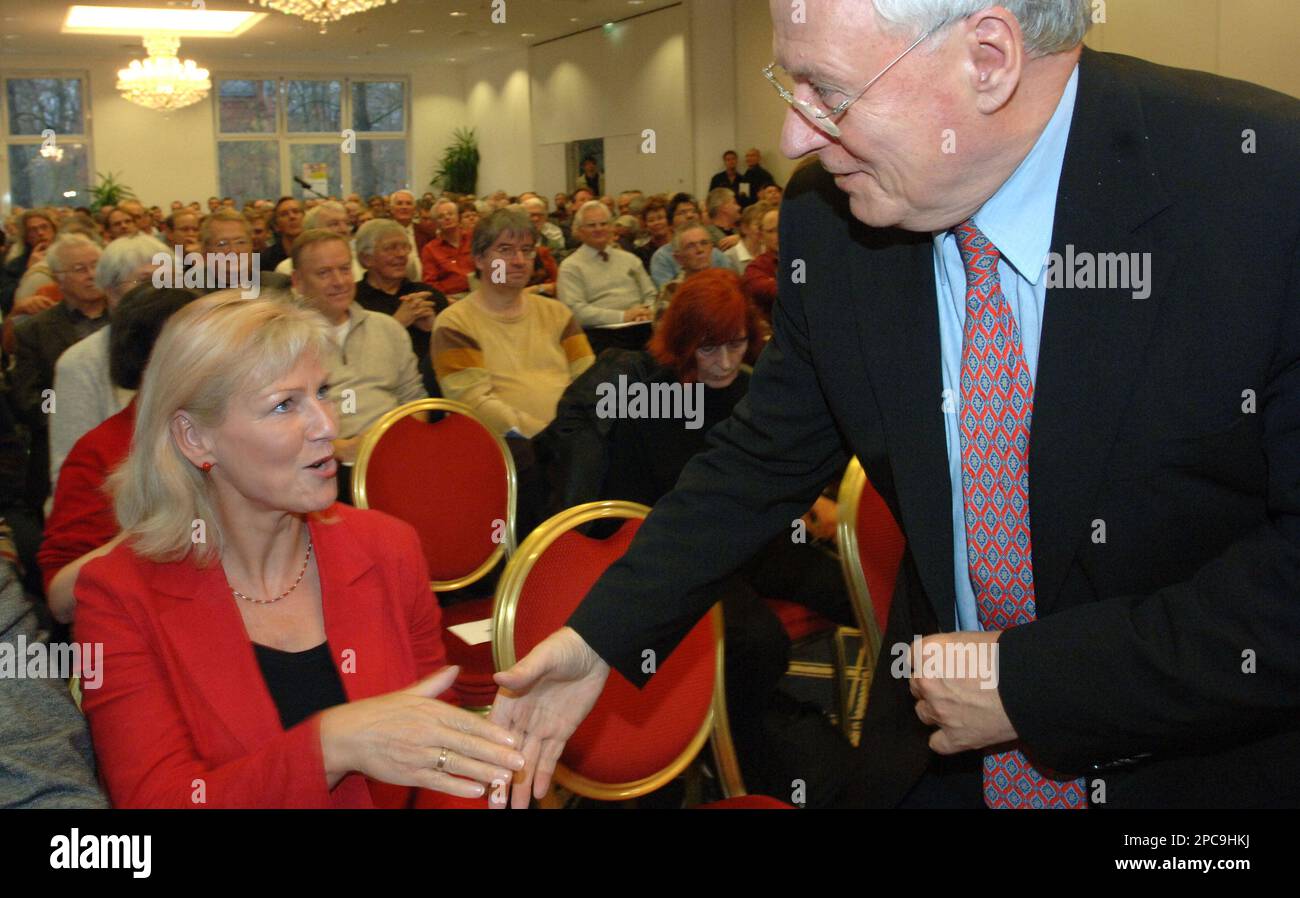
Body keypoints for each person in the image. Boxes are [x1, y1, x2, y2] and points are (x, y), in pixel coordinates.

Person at [490, 0, 1300, 810]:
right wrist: (603, 636)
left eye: (827, 92)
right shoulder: (832, 216)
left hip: (1201, 768)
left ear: (988, 58)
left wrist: (1034, 683)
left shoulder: (1263, 189)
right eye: (788, 81)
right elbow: (761, 458)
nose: (794, 137)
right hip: (934, 756)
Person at [72, 294, 525, 807]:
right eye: (285, 405)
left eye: (324, 392)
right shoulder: (119, 595)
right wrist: (329, 746)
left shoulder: (386, 546)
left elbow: (441, 764)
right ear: (195, 438)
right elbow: (160, 801)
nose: (328, 426)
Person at [539, 268, 850, 801]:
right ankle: (730, 740)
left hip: (750, 538)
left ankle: (777, 731)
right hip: (680, 546)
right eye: (710, 350)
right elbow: (682, 506)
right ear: (684, 344)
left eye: (736, 346)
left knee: (847, 588)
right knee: (757, 641)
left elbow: (775, 470)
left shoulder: (749, 388)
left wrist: (807, 503)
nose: (725, 363)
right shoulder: (649, 396)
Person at [40, 286, 198, 622]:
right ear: (150, 362)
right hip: (153, 625)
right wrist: (157, 531)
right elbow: (61, 595)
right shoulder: (103, 450)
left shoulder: (244, 429)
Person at [432, 209, 594, 440]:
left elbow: (589, 378)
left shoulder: (557, 312)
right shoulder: (455, 323)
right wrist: (549, 437)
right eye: (505, 250)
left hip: (573, 438)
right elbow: (474, 403)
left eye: (527, 251)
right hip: (506, 445)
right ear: (479, 260)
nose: (519, 261)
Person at [291, 230, 427, 501]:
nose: (339, 281)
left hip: (396, 451)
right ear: (298, 282)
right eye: (324, 273)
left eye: (344, 269)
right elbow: (279, 422)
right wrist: (337, 448)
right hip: (328, 462)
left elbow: (415, 401)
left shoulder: (387, 328)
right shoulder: (285, 342)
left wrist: (397, 439)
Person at [48, 233, 170, 491]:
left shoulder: (189, 346)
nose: (162, 290)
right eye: (147, 280)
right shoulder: (81, 361)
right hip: (113, 507)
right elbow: (71, 466)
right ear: (112, 292)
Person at [11, 235, 107, 513]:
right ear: (58, 278)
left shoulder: (124, 322)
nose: (92, 275)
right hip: (64, 448)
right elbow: (29, 398)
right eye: (79, 269)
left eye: (96, 265)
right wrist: (64, 407)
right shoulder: (35, 331)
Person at [353, 218, 445, 395]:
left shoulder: (428, 295)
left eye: (405, 247)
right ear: (366, 259)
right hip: (378, 392)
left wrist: (434, 328)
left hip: (435, 390)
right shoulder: (354, 301)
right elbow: (355, 362)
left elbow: (454, 352)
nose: (401, 254)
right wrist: (397, 323)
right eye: (391, 248)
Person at [555, 201, 656, 353]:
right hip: (602, 336)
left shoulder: (630, 259)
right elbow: (575, 312)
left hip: (643, 327)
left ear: (611, 228)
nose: (599, 229)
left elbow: (651, 294)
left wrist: (648, 311)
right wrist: (623, 316)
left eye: (604, 224)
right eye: (591, 225)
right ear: (579, 231)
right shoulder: (571, 267)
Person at [420, 199, 475, 298]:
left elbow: (493, 263)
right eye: (441, 216)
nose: (447, 218)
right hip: (451, 297)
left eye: (450, 214)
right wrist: (445, 300)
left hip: (479, 292)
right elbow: (429, 284)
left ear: (458, 217)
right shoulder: (430, 249)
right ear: (435, 223)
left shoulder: (474, 238)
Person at [741, 207, 781, 323]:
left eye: (782, 228)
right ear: (761, 236)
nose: (778, 235)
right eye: (771, 231)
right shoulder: (756, 267)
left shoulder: (800, 260)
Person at [725, 201, 771, 271]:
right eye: (758, 224)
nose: (762, 229)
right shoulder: (729, 258)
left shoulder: (769, 253)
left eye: (764, 225)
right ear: (745, 228)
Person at [262, 197, 305, 271]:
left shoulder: (317, 251)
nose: (292, 216)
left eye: (296, 211)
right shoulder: (264, 258)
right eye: (284, 214)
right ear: (276, 226)